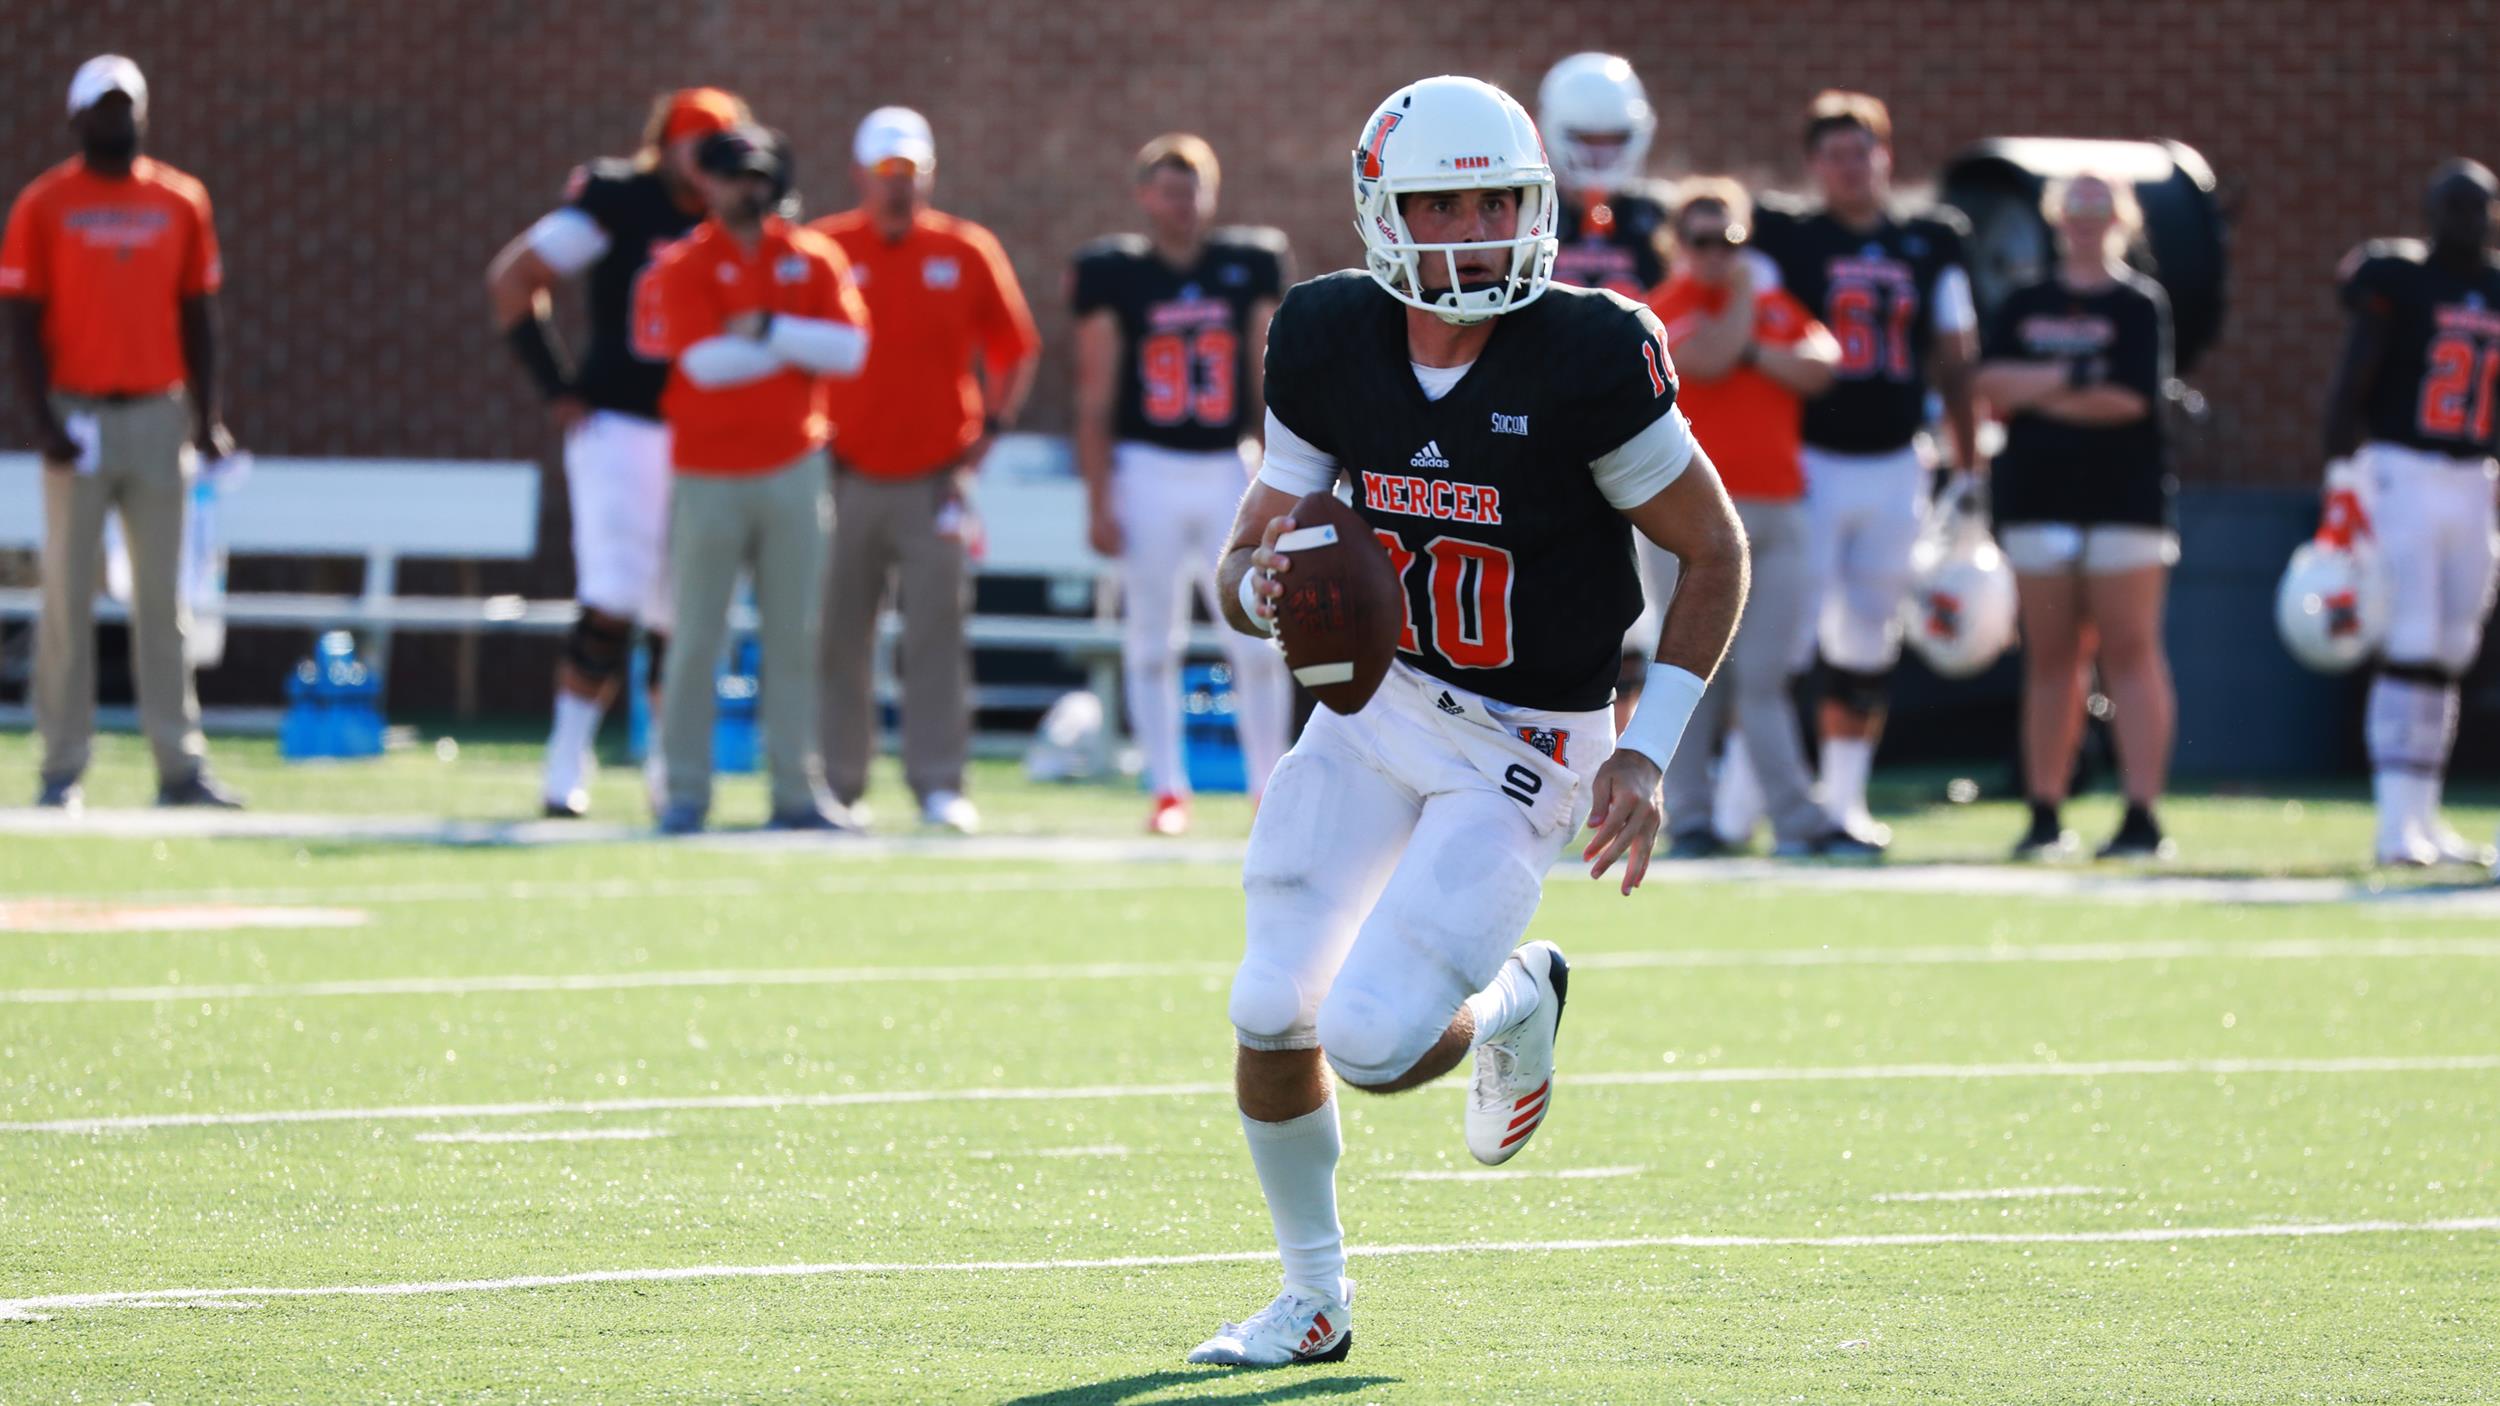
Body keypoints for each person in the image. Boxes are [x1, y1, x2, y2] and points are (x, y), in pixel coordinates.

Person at [1186, 76, 1746, 1366]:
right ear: (1382, 213)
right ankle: (1311, 1296)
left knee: (1372, 1039)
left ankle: (1511, 1000)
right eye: (1442, 206)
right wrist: (1259, 586)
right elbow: (1242, 555)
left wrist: (1647, 747)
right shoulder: (1327, 331)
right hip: (1376, 703)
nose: (1477, 232)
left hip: (1528, 739)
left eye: (1498, 201)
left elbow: (1713, 551)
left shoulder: (1589, 351)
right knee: (1269, 1002)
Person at [486, 87, 747, 819]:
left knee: (682, 609)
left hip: (705, 433)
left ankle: (669, 769)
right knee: (614, 595)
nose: (711, 164)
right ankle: (565, 761)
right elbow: (514, 278)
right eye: (699, 145)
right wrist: (557, 385)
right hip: (625, 426)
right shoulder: (620, 201)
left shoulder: (744, 213)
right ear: (667, 145)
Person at [4, 55, 243, 812]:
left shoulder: (180, 199)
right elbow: (21, 321)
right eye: (104, 107)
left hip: (157, 414)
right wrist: (43, 422)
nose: (118, 119)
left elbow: (199, 313)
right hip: (76, 416)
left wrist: (207, 418)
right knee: (67, 598)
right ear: (77, 118)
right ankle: (61, 768)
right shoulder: (44, 203)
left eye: (127, 105)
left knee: (163, 599)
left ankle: (179, 765)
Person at [1750, 90, 1979, 852]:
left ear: (1887, 156)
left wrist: (1970, 465)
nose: (1851, 168)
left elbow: (1957, 358)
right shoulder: (1788, 237)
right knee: (1784, 639)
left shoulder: (1930, 239)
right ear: (1813, 166)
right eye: (1835, 155)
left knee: (1869, 639)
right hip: (1808, 461)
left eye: (1862, 152)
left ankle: (1844, 804)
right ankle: (1747, 802)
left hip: (1896, 462)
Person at [812, 108, 1041, 835]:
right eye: (886, 172)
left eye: (910, 173)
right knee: (838, 635)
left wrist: (991, 429)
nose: (898, 186)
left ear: (930, 176)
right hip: (842, 474)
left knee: (936, 634)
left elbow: (1015, 345)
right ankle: (839, 783)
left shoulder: (965, 249)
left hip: (937, 477)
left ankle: (939, 781)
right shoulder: (824, 247)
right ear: (860, 175)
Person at [639, 126, 870, 835]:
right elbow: (705, 365)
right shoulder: (685, 263)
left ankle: (796, 790)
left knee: (795, 637)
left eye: (759, 175)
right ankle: (684, 789)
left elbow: (851, 351)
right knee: (695, 638)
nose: (751, 189)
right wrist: (797, 348)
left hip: (794, 467)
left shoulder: (813, 255)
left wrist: (766, 328)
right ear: (708, 183)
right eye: (736, 176)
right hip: (707, 472)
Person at [1072, 134, 1295, 834]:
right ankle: (1167, 787)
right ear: (1144, 197)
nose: (1181, 204)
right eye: (1169, 190)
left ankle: (1268, 785)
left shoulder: (1247, 264)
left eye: (1192, 189)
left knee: (1256, 633)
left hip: (1228, 463)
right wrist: (1098, 494)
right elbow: (1095, 390)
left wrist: (1283, 469)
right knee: (1150, 639)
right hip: (1147, 465)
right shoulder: (1117, 273)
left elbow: (1272, 377)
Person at [1646, 179, 1858, 859]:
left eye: (1729, 240)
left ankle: (1797, 820)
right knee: (1686, 673)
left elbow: (1823, 366)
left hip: (1777, 509)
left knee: (1765, 678)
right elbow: (1706, 359)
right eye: (1701, 240)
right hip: (1688, 517)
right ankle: (1690, 817)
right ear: (1677, 243)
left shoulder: (1773, 306)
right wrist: (1745, 309)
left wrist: (1753, 347)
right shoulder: (1662, 308)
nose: (1716, 254)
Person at [1974, 174, 2179, 860]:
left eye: (2099, 208)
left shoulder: (2138, 303)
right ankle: (2044, 813)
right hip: (2037, 497)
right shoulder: (2024, 300)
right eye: (2074, 208)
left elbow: (2130, 399)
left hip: (2125, 503)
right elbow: (1990, 385)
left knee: (2130, 651)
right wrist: (2078, 378)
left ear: (2122, 220)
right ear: (2056, 218)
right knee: (2052, 658)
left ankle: (2141, 816)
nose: (2085, 221)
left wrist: (2039, 390)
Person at [2323, 159, 2500, 868]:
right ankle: (2395, 825)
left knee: (2453, 647)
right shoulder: (2396, 277)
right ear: (2430, 212)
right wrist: (2342, 469)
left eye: (2478, 206)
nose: (2467, 220)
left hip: (2475, 476)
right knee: (2411, 638)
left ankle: (2425, 819)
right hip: (2403, 469)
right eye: (2455, 206)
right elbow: (2356, 368)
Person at [1537, 52, 1672, 298]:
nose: (1601, 154)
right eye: (1587, 139)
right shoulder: (1532, 214)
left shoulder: (1661, 217)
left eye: (1613, 140)